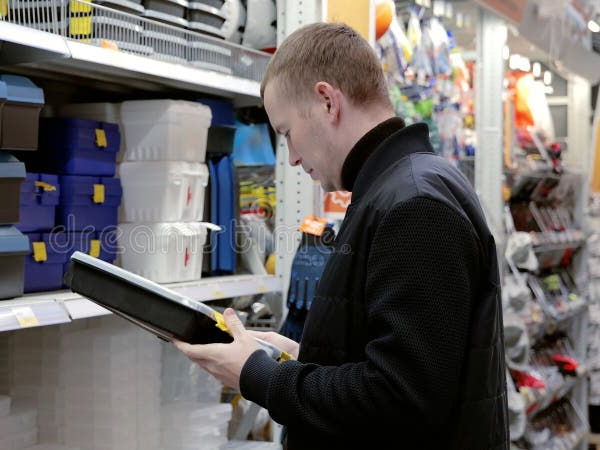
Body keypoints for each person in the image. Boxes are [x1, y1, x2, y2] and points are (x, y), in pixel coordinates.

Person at [174, 22, 509, 449]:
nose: (292, 157)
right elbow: (396, 363)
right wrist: (305, 356)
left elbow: (401, 399)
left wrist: (260, 376)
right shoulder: (396, 190)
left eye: (287, 133)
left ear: (328, 101)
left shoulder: (415, 204)